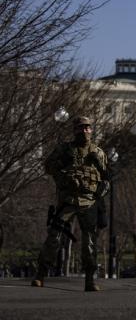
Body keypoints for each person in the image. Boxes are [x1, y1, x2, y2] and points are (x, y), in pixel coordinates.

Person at [31, 116, 108, 292]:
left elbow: (107, 179)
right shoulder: (64, 150)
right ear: (74, 130)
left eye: (88, 128)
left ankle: (90, 279)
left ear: (92, 130)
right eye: (81, 128)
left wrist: (98, 195)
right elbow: (48, 167)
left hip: (88, 202)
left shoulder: (99, 153)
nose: (85, 131)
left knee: (89, 242)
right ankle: (40, 274)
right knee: (54, 237)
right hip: (68, 201)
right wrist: (64, 175)